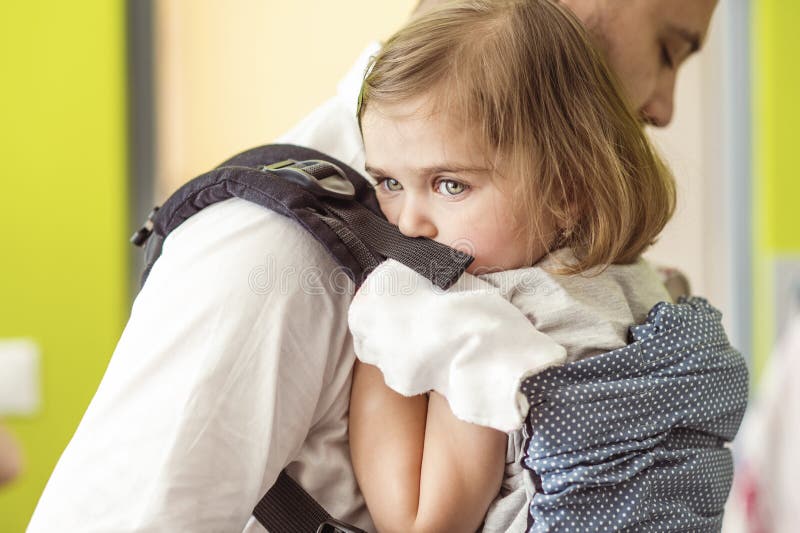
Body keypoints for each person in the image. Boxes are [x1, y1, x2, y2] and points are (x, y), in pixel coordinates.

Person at [27, 0, 717, 531]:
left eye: (448, 184)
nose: (663, 103)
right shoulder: (268, 247)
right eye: (668, 48)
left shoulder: (547, 256)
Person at [345, 0, 679, 530]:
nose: (408, 223)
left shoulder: (479, 326)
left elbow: (421, 524)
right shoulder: (642, 285)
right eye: (388, 182)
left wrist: (383, 343)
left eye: (450, 185)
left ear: (565, 190)